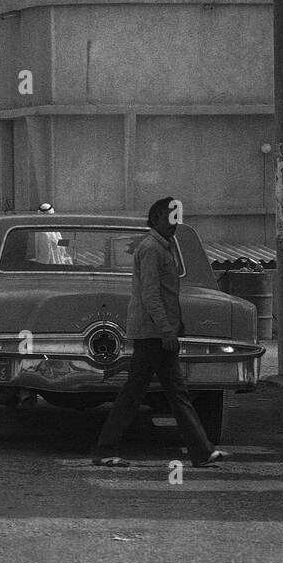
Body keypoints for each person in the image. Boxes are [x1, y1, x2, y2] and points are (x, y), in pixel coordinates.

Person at [92, 196, 226, 469]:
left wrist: (175, 326)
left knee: (172, 393)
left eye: (177, 217)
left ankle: (201, 451)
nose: (175, 223)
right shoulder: (152, 248)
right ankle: (106, 450)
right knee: (145, 394)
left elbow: (165, 294)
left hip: (157, 332)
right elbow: (151, 295)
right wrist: (167, 330)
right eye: (169, 217)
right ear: (155, 219)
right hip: (152, 334)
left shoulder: (162, 247)